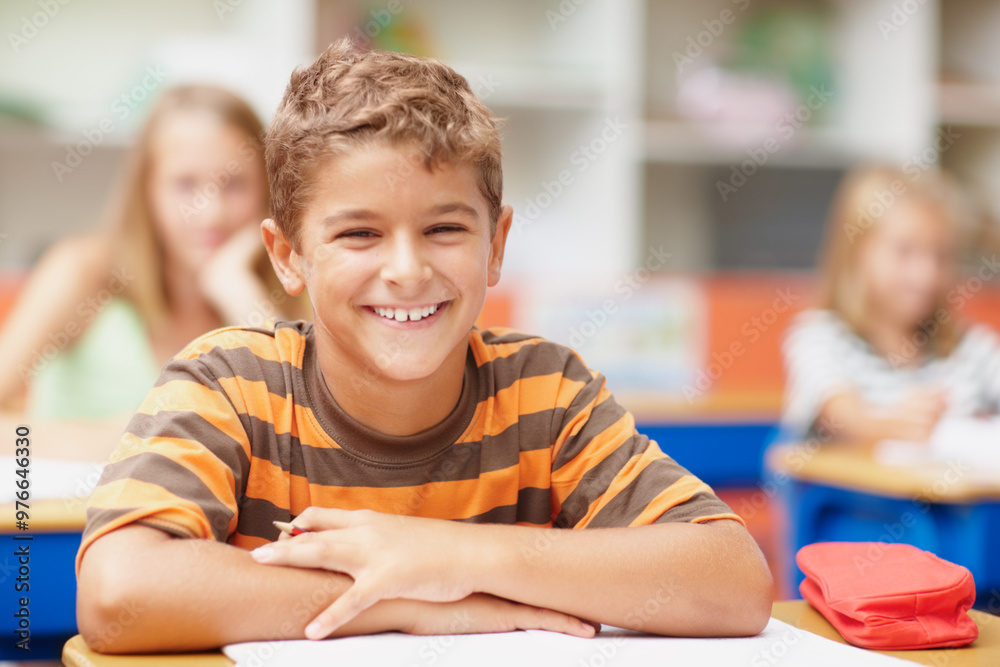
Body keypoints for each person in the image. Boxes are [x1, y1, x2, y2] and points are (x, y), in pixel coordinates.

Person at [75, 38, 773, 653]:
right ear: (287, 255)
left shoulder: (546, 394)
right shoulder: (227, 383)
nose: (407, 270)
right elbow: (117, 591)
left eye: (444, 229)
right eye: (359, 234)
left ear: (496, 245)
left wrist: (445, 552)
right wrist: (404, 601)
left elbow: (734, 580)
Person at [0, 85, 310, 460]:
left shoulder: (277, 292)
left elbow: (305, 431)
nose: (210, 212)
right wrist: (120, 439)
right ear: (147, 191)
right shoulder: (84, 271)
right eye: (185, 184)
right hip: (63, 517)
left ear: (267, 191)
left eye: (235, 184)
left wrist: (234, 287)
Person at [780, 163, 1000, 443]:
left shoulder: (970, 347)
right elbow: (842, 416)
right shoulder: (818, 338)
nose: (926, 275)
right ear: (857, 253)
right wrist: (893, 427)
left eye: (942, 255)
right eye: (904, 251)